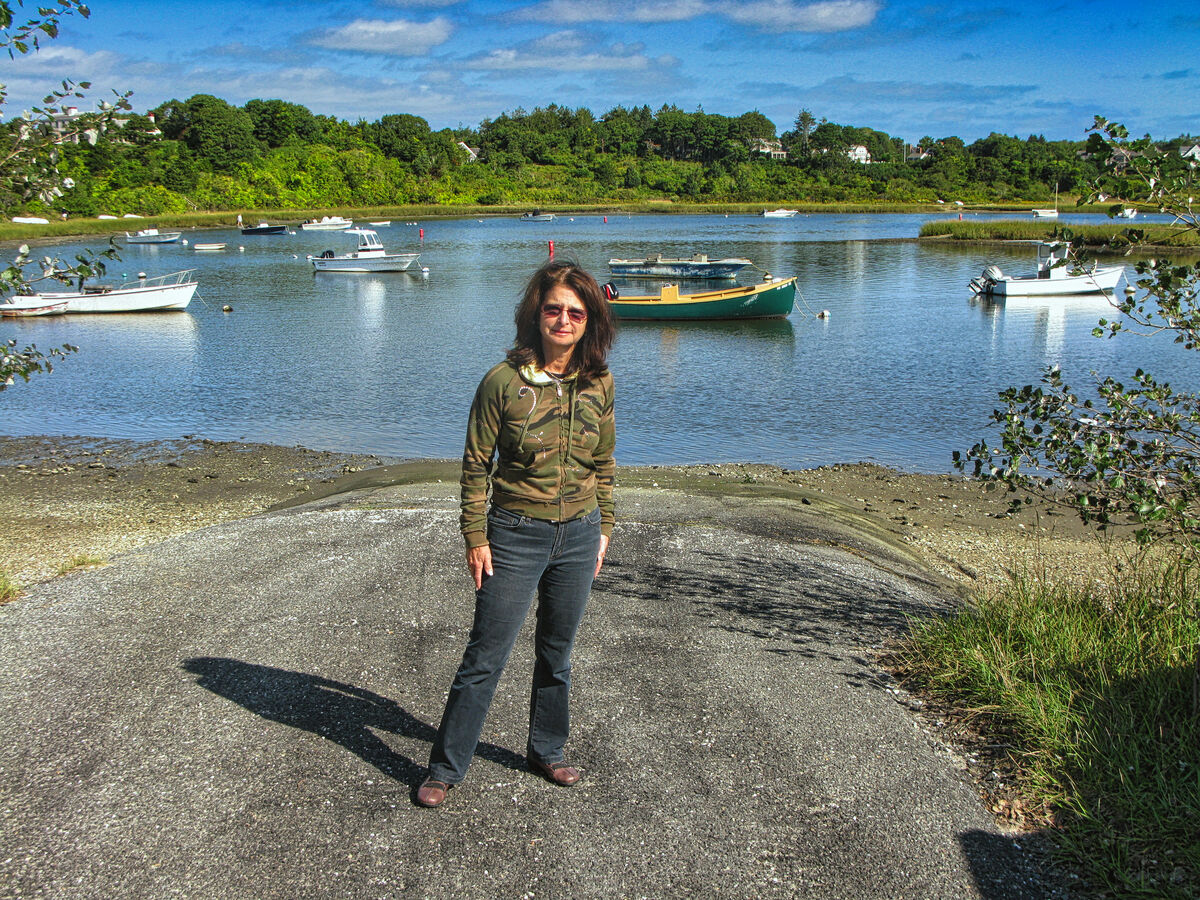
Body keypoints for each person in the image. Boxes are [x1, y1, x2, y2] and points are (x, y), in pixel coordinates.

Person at [416, 259, 616, 808]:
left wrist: (605, 526)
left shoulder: (598, 381)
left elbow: (604, 461)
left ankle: (546, 750)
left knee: (557, 652)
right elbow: (475, 465)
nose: (564, 320)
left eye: (575, 312)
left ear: (590, 320)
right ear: (536, 314)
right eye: (553, 309)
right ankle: (445, 767)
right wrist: (475, 535)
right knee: (486, 655)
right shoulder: (502, 382)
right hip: (515, 534)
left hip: (580, 534)